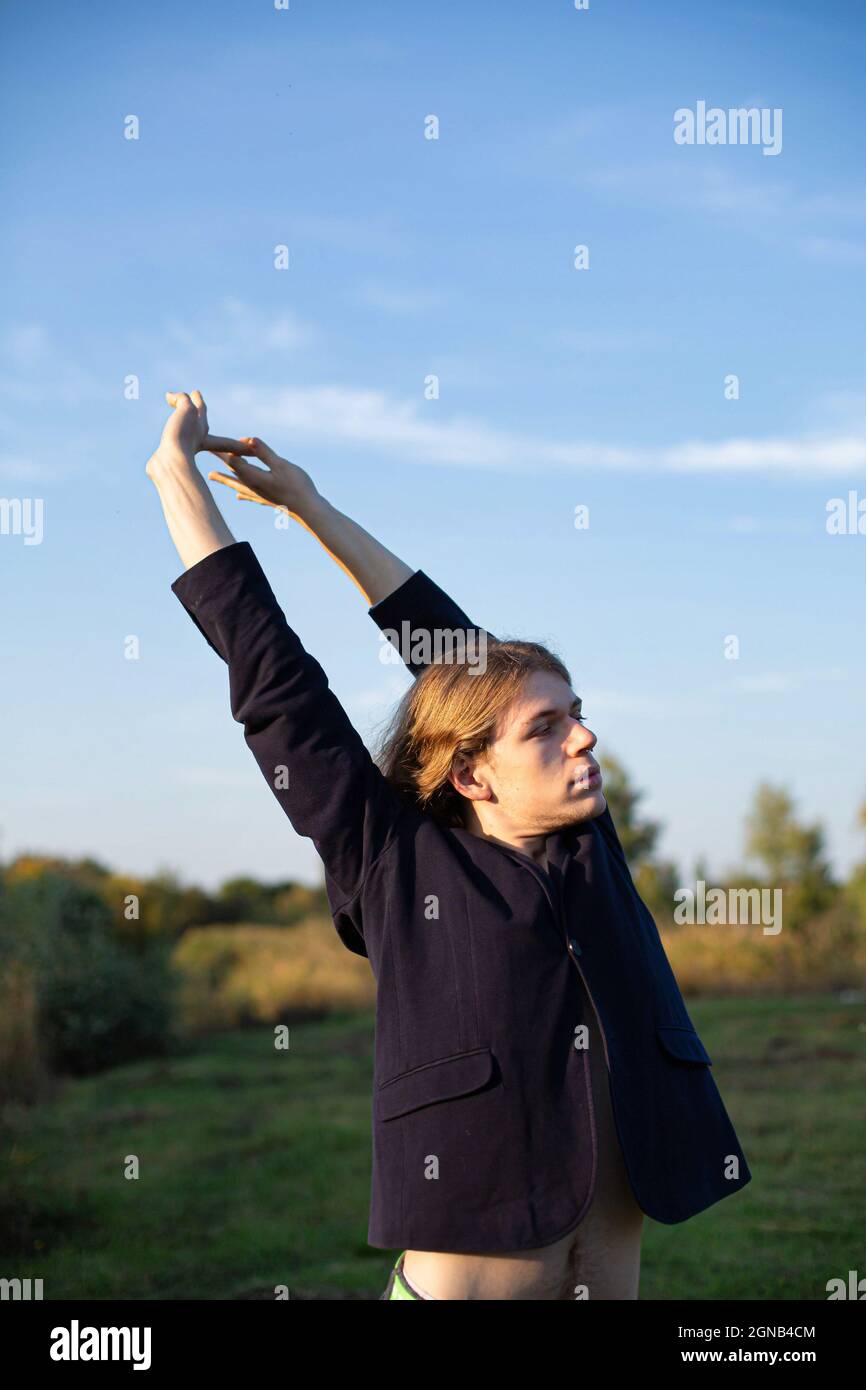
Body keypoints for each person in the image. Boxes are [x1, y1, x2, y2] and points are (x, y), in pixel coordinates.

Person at [147, 390, 752, 1301]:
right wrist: (178, 477)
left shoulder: (590, 848)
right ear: (473, 773)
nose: (584, 739)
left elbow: (451, 645)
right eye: (547, 728)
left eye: (579, 715)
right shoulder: (394, 863)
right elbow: (275, 684)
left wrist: (312, 507)